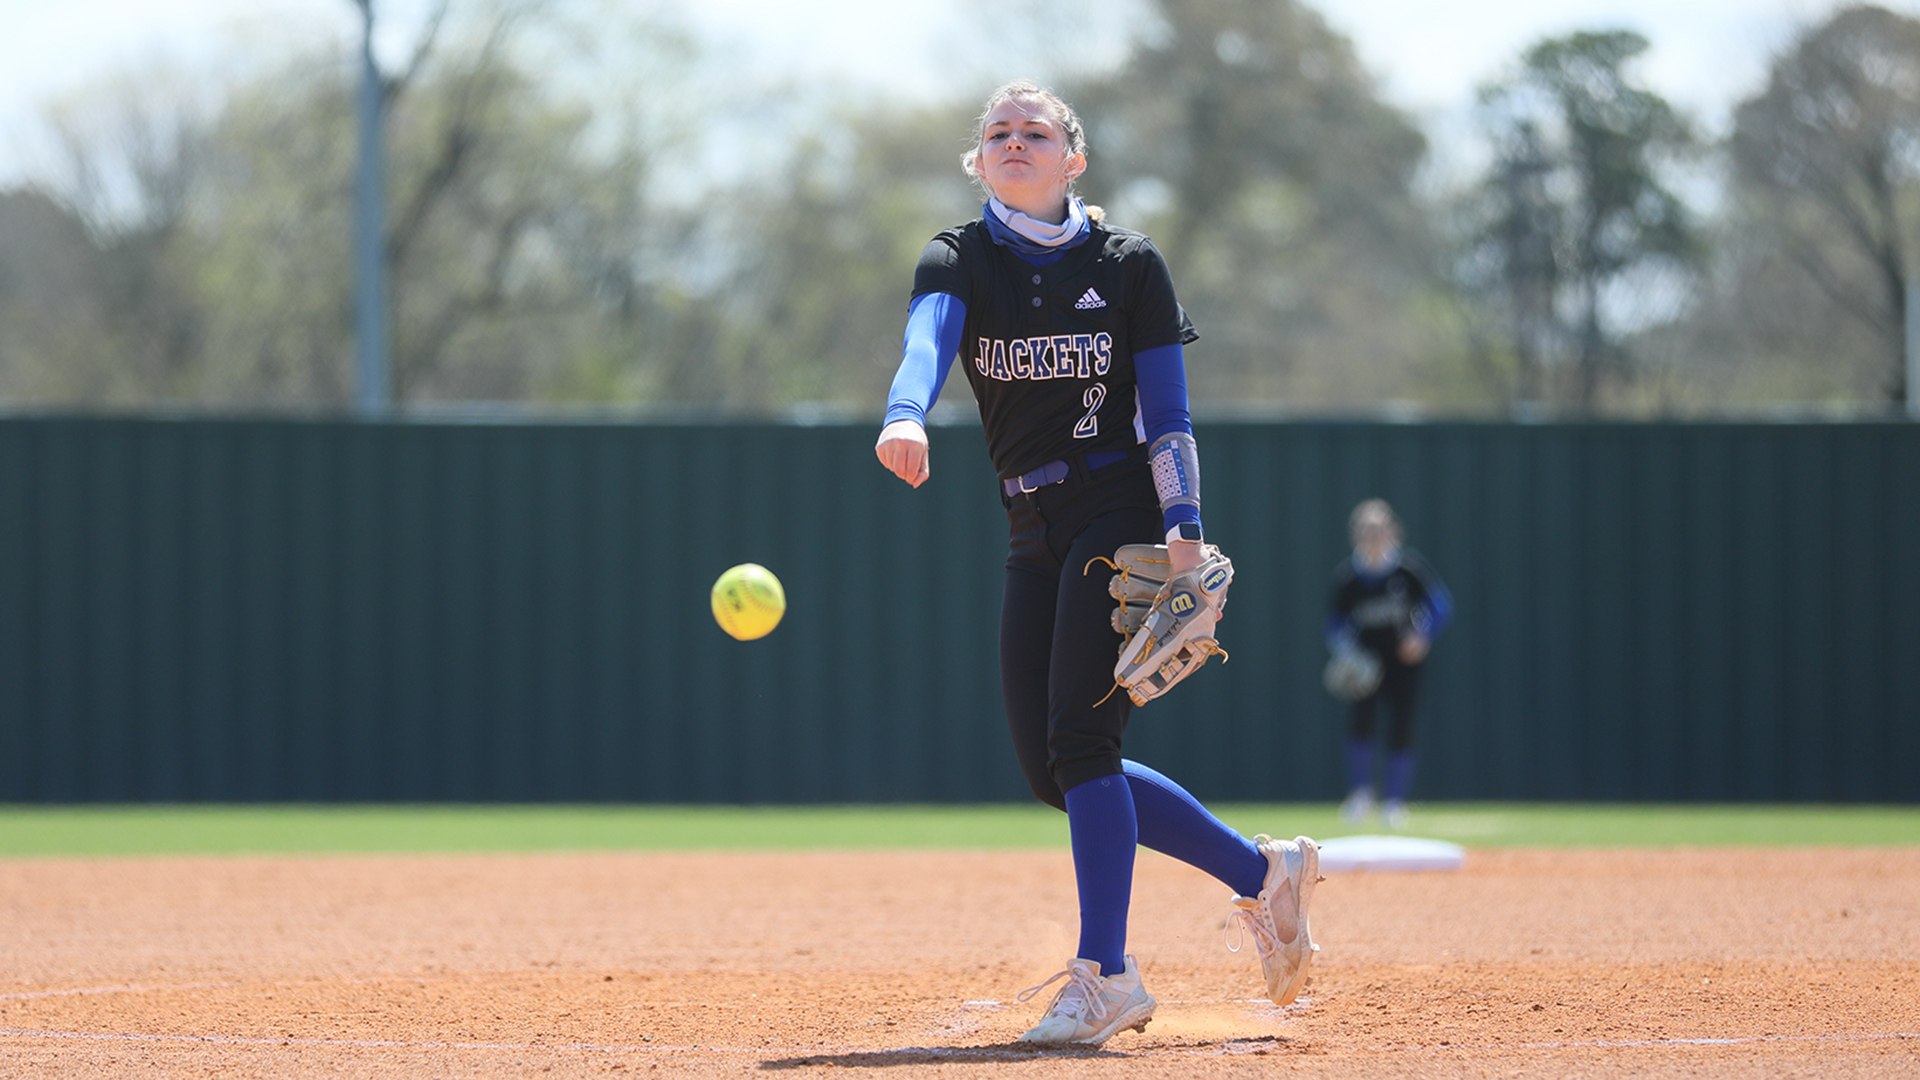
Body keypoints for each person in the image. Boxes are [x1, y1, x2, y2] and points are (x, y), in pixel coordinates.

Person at [874, 79, 1320, 1048]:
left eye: (1036, 131)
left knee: (1080, 743)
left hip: (1114, 507)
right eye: (997, 133)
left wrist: (1186, 528)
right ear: (978, 159)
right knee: (1056, 768)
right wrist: (906, 408)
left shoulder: (1128, 264)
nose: (1014, 142)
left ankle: (1107, 973)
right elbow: (928, 339)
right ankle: (1263, 874)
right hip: (1027, 520)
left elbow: (1167, 412)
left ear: (1073, 160)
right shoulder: (960, 256)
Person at [1326, 499, 1453, 830]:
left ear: (1393, 531)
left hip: (1404, 661)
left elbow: (1440, 606)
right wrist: (1345, 652)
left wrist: (1421, 636)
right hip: (1366, 663)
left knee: (1402, 725)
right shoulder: (1350, 578)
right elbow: (1335, 625)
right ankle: (1360, 796)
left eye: (1379, 529)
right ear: (1355, 535)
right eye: (1367, 530)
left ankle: (1394, 802)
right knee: (1362, 724)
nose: (1374, 536)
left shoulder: (1406, 570)